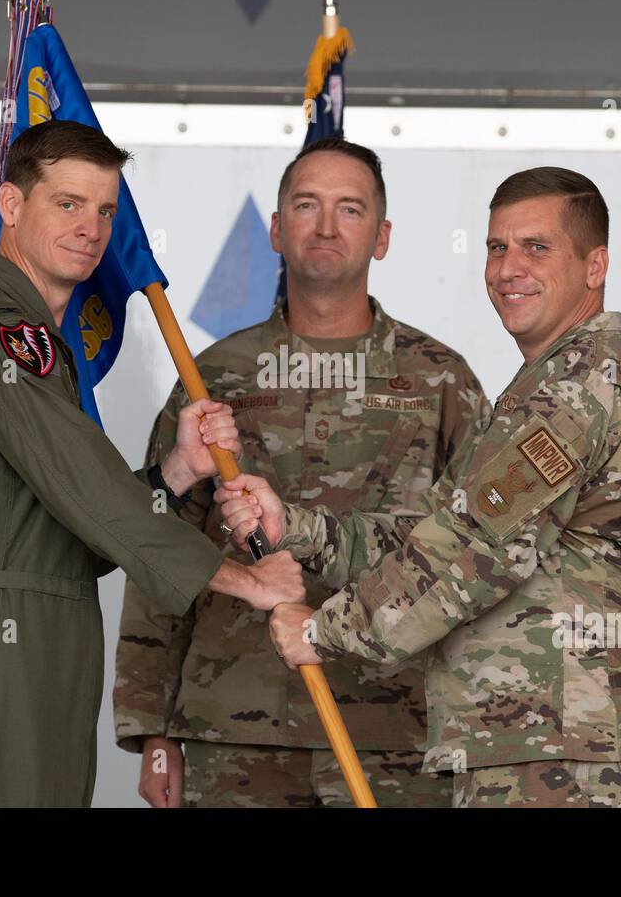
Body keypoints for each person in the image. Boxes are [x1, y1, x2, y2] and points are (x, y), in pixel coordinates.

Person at [216, 167, 621, 807]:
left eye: (536, 248)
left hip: (564, 751)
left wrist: (322, 631)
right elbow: (442, 531)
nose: (508, 268)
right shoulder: (545, 387)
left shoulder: (576, 390)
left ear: (594, 266)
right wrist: (297, 529)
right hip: (533, 743)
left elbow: (470, 554)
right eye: (497, 247)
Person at [0, 119, 305, 807]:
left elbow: (70, 528)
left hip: (31, 648)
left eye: (106, 210)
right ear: (11, 207)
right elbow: (94, 498)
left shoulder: (33, 339)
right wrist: (246, 581)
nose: (92, 228)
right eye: (68, 204)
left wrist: (173, 472)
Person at [114, 138, 489, 807]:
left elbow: (479, 553)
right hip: (232, 730)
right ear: (276, 229)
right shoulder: (213, 378)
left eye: (350, 209)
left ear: (382, 237)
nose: (325, 226)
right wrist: (152, 729)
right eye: (306, 205)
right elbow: (157, 548)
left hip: (394, 730)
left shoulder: (440, 381)